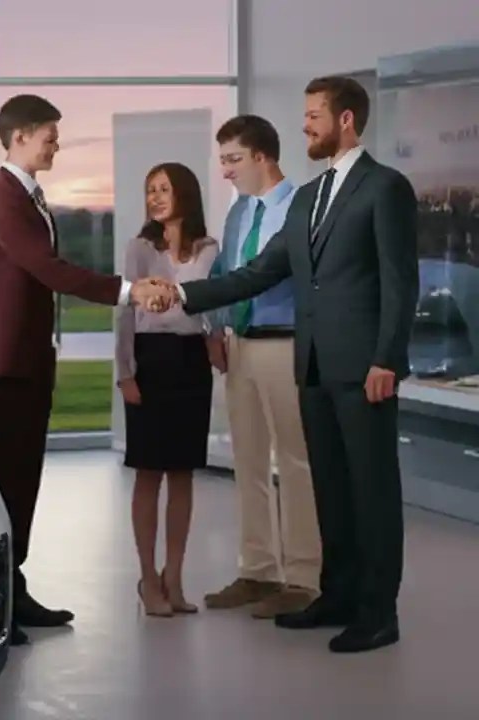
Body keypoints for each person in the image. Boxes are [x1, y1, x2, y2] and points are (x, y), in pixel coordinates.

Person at [146, 76, 419, 653]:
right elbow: (261, 272)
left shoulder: (385, 187)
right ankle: (337, 595)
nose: (305, 126)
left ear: (346, 120)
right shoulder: (311, 197)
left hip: (363, 366)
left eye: (315, 115)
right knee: (331, 488)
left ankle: (378, 613)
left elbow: (400, 282)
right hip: (313, 365)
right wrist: (186, 296)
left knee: (372, 492)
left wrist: (387, 359)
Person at [0, 94, 169, 645]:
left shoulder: (28, 197)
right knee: (6, 486)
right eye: (49, 135)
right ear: (19, 137)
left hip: (29, 360)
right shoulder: (1, 197)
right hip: (7, 365)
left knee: (25, 482)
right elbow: (47, 269)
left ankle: (14, 590)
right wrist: (129, 291)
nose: (57, 144)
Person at [202, 115, 323, 619]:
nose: (226, 171)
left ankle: (304, 577)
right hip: (241, 346)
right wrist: (213, 327)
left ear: (262, 157)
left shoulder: (301, 207)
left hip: (285, 345)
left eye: (233, 159)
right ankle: (257, 570)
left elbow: (269, 275)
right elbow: (224, 272)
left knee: (295, 463)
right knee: (247, 461)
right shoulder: (238, 215)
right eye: (223, 160)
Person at [115, 162, 220, 617]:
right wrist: (125, 371)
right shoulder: (140, 248)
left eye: (164, 189)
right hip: (149, 360)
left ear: (186, 195)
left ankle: (173, 577)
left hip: (191, 361)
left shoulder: (209, 248)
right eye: (149, 189)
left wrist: (218, 342)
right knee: (147, 472)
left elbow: (209, 306)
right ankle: (146, 576)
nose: (155, 197)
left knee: (183, 473)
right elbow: (123, 312)